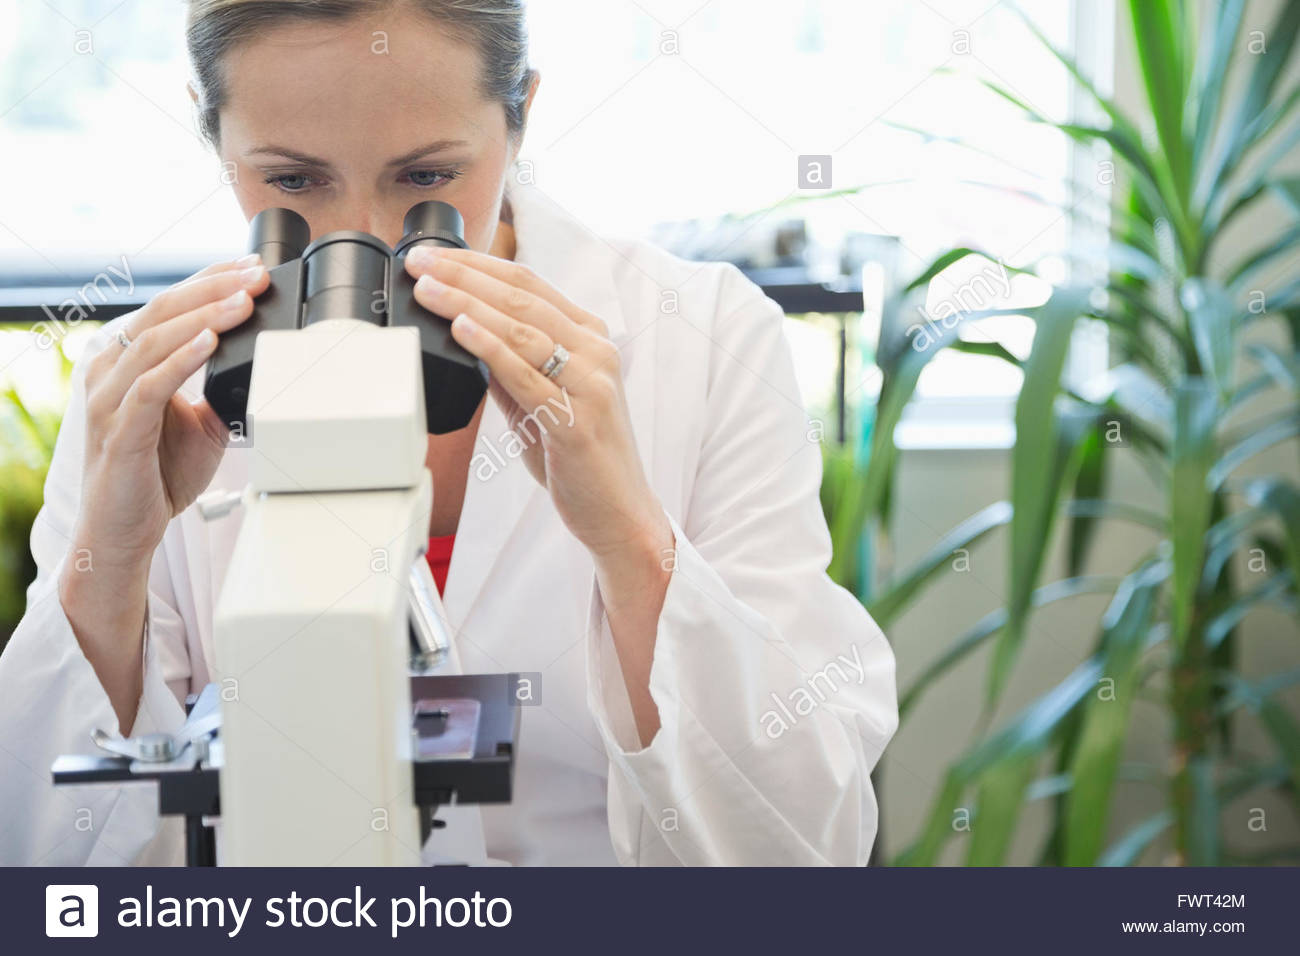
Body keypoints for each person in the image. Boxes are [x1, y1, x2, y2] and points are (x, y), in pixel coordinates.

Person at [0, 0, 897, 866]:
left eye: (428, 180)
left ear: (521, 116)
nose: (366, 241)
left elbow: (805, 848)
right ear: (209, 127)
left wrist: (630, 537)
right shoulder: (145, 378)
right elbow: (45, 870)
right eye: (290, 181)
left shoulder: (700, 341)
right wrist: (107, 570)